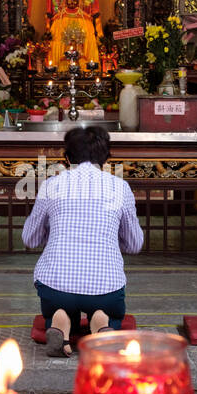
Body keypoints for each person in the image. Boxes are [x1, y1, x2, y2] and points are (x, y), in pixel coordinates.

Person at [21, 126, 145, 357]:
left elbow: (30, 238)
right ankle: (101, 321)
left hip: (55, 287)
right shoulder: (121, 188)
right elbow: (135, 244)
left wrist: (53, 233)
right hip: (106, 289)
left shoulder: (51, 185)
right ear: (106, 158)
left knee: (57, 306)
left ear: (67, 158)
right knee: (111, 312)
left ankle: (60, 321)